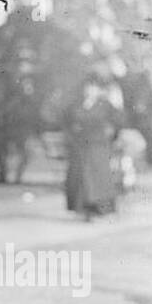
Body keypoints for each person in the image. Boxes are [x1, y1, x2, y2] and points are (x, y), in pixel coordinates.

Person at [65, 80, 121, 220]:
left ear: (98, 89)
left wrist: (112, 135)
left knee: (99, 176)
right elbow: (71, 121)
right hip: (82, 145)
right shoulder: (79, 104)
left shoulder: (105, 105)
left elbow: (117, 120)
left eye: (94, 87)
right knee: (82, 176)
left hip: (98, 145)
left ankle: (101, 209)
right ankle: (84, 209)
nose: (90, 90)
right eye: (88, 87)